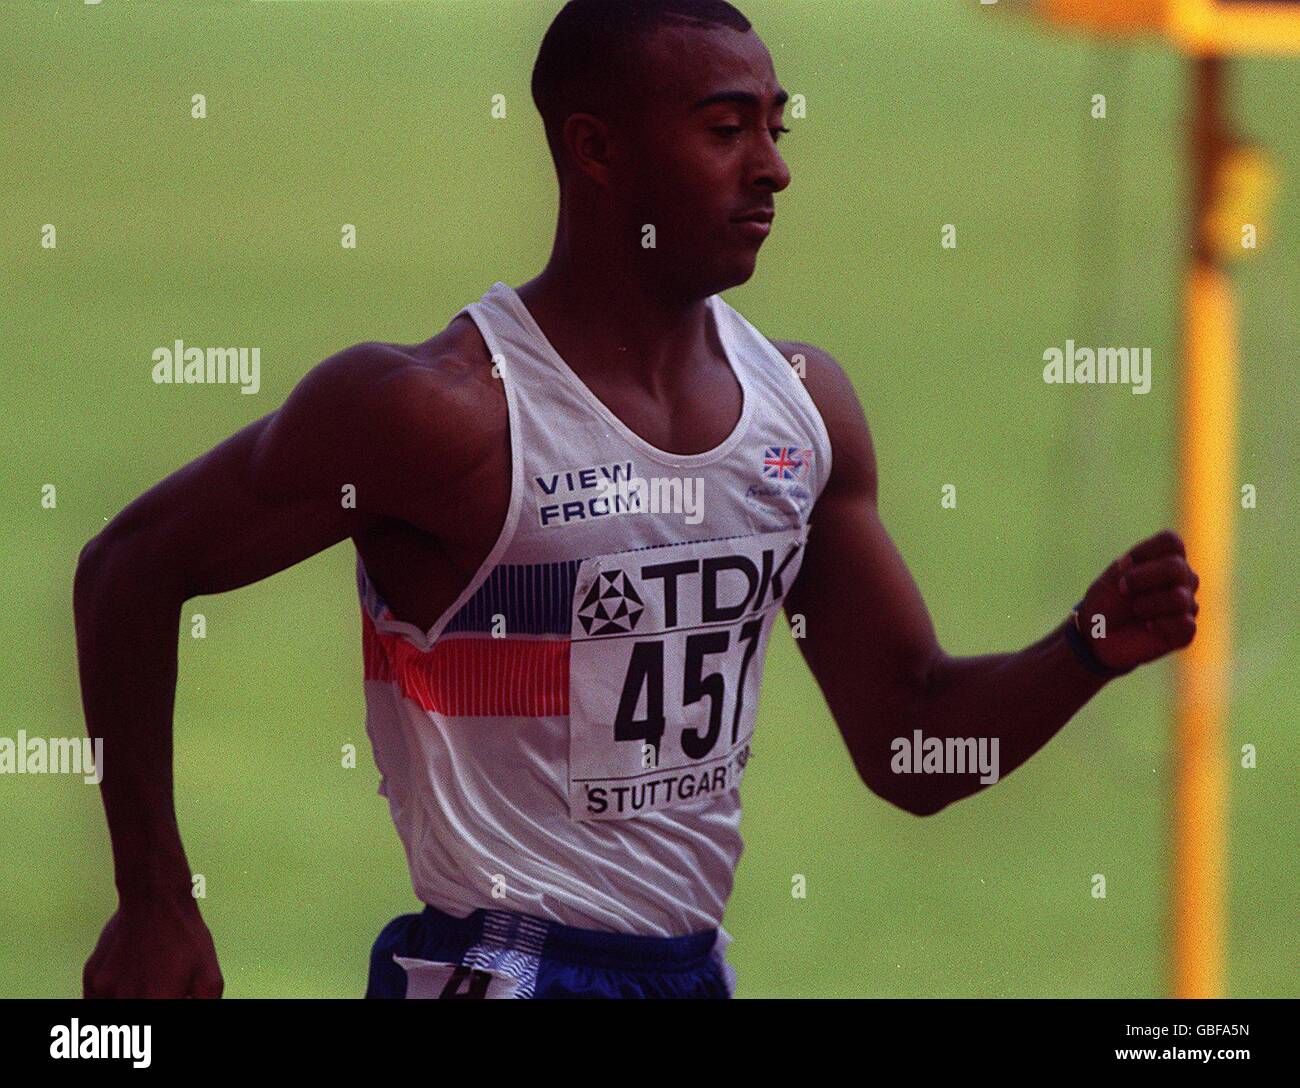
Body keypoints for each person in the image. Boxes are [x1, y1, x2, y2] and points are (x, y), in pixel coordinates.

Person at [76, 0, 1199, 1000]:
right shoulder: (441, 413)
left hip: (687, 971)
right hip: (499, 965)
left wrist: (1084, 648)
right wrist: (155, 894)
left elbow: (910, 745)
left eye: (776, 125)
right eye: (726, 129)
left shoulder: (802, 412)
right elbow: (130, 563)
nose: (773, 167)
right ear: (597, 151)